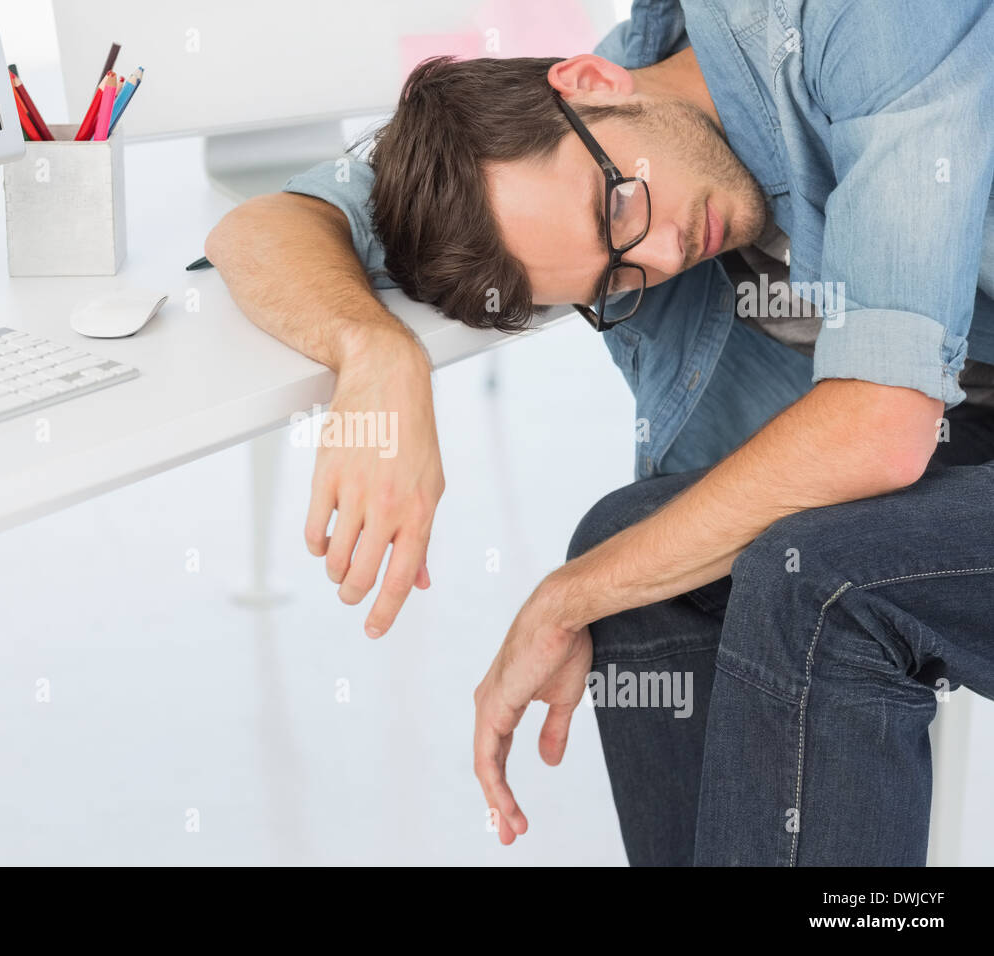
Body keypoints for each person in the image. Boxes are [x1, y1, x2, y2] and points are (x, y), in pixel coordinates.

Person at [204, 0, 994, 865]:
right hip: (960, 439)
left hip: (916, 426)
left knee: (818, 587)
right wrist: (374, 353)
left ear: (589, 82)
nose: (660, 255)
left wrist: (565, 597)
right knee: (631, 551)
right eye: (619, 276)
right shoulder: (537, 156)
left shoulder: (855, 20)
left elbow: (879, 425)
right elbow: (265, 224)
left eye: (618, 212)